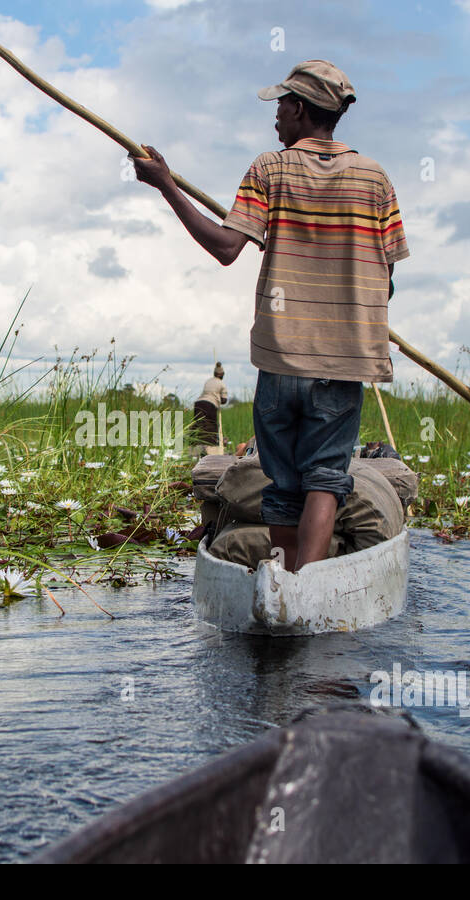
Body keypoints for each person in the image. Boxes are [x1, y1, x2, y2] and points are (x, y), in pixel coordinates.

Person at [132, 60, 409, 571]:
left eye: (280, 105)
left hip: (282, 355)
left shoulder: (269, 169)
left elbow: (224, 248)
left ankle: (283, 584)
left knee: (283, 483)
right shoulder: (376, 179)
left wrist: (166, 186)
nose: (275, 116)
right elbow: (386, 276)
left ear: (300, 109)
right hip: (345, 359)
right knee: (326, 478)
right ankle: (310, 587)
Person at [192, 361, 228, 452]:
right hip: (210, 404)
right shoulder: (221, 384)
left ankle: (196, 445)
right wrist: (219, 397)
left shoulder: (208, 381)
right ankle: (210, 448)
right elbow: (224, 400)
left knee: (199, 425)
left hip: (199, 403)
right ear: (222, 375)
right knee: (211, 426)